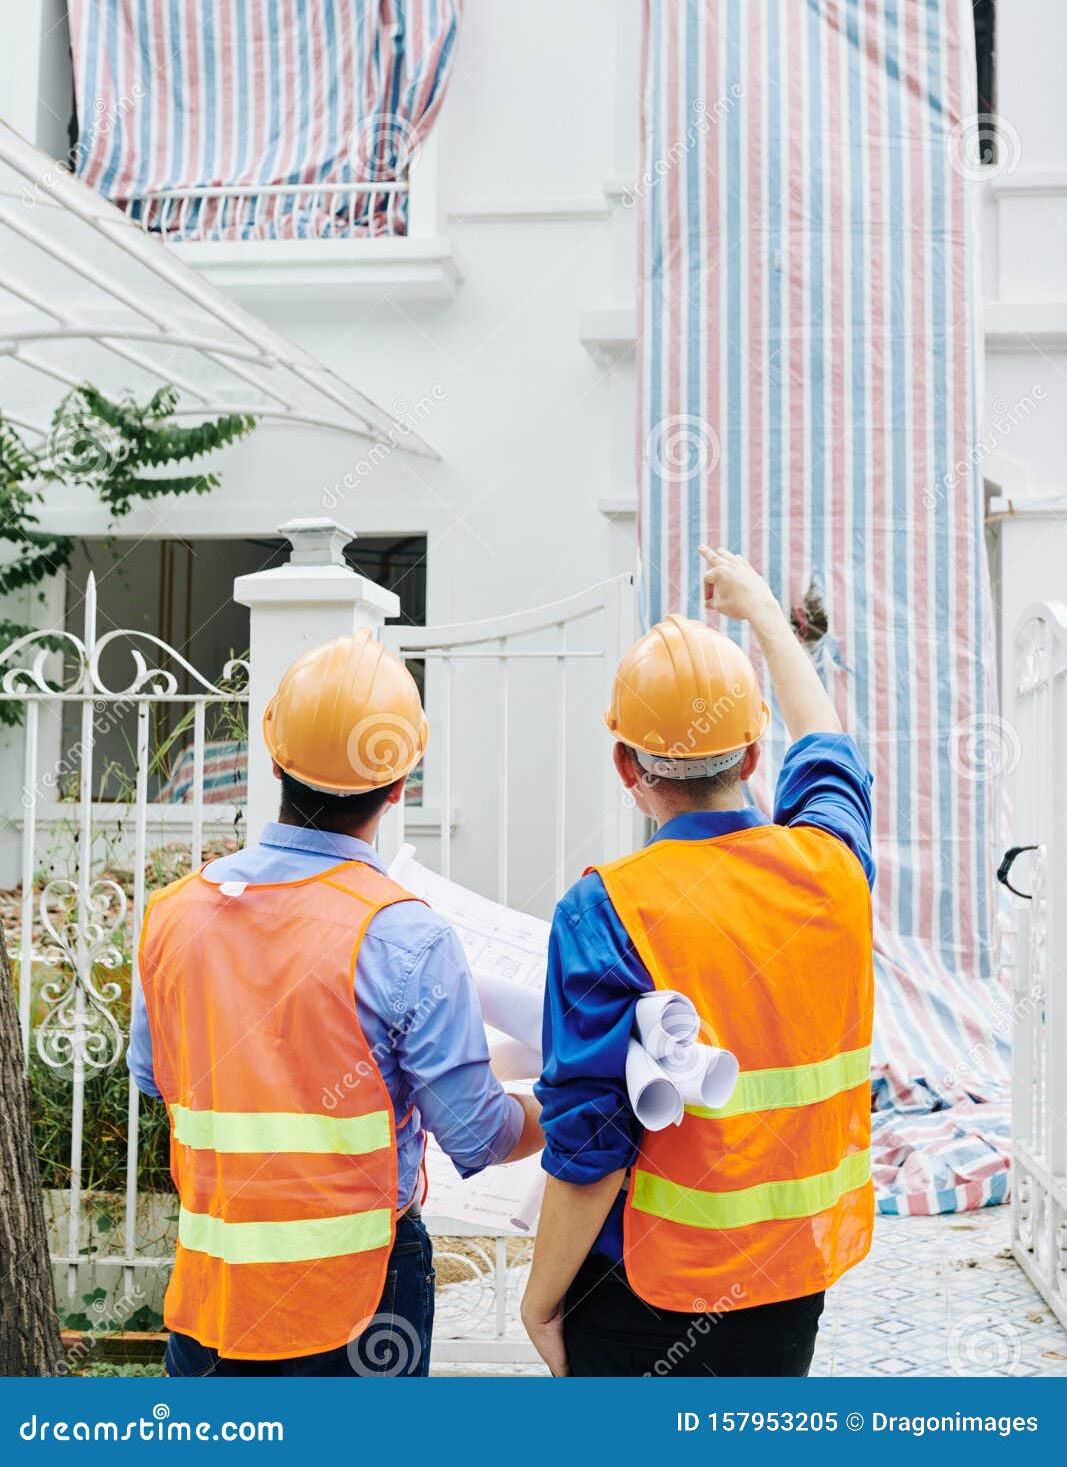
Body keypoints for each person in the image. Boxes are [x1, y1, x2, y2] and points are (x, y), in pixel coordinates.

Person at [128, 630, 542, 1377]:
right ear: (399, 784)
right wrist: (577, 1092)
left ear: (275, 757)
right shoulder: (404, 934)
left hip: (215, 1286)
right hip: (359, 1298)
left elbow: (160, 1079)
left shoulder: (172, 914)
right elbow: (479, 1139)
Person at [522, 548, 875, 1377]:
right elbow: (826, 745)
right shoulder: (832, 870)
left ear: (626, 767)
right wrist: (759, 613)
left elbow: (592, 1140)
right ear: (754, 758)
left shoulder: (605, 908)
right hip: (788, 1280)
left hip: (641, 1289)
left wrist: (540, 1300)